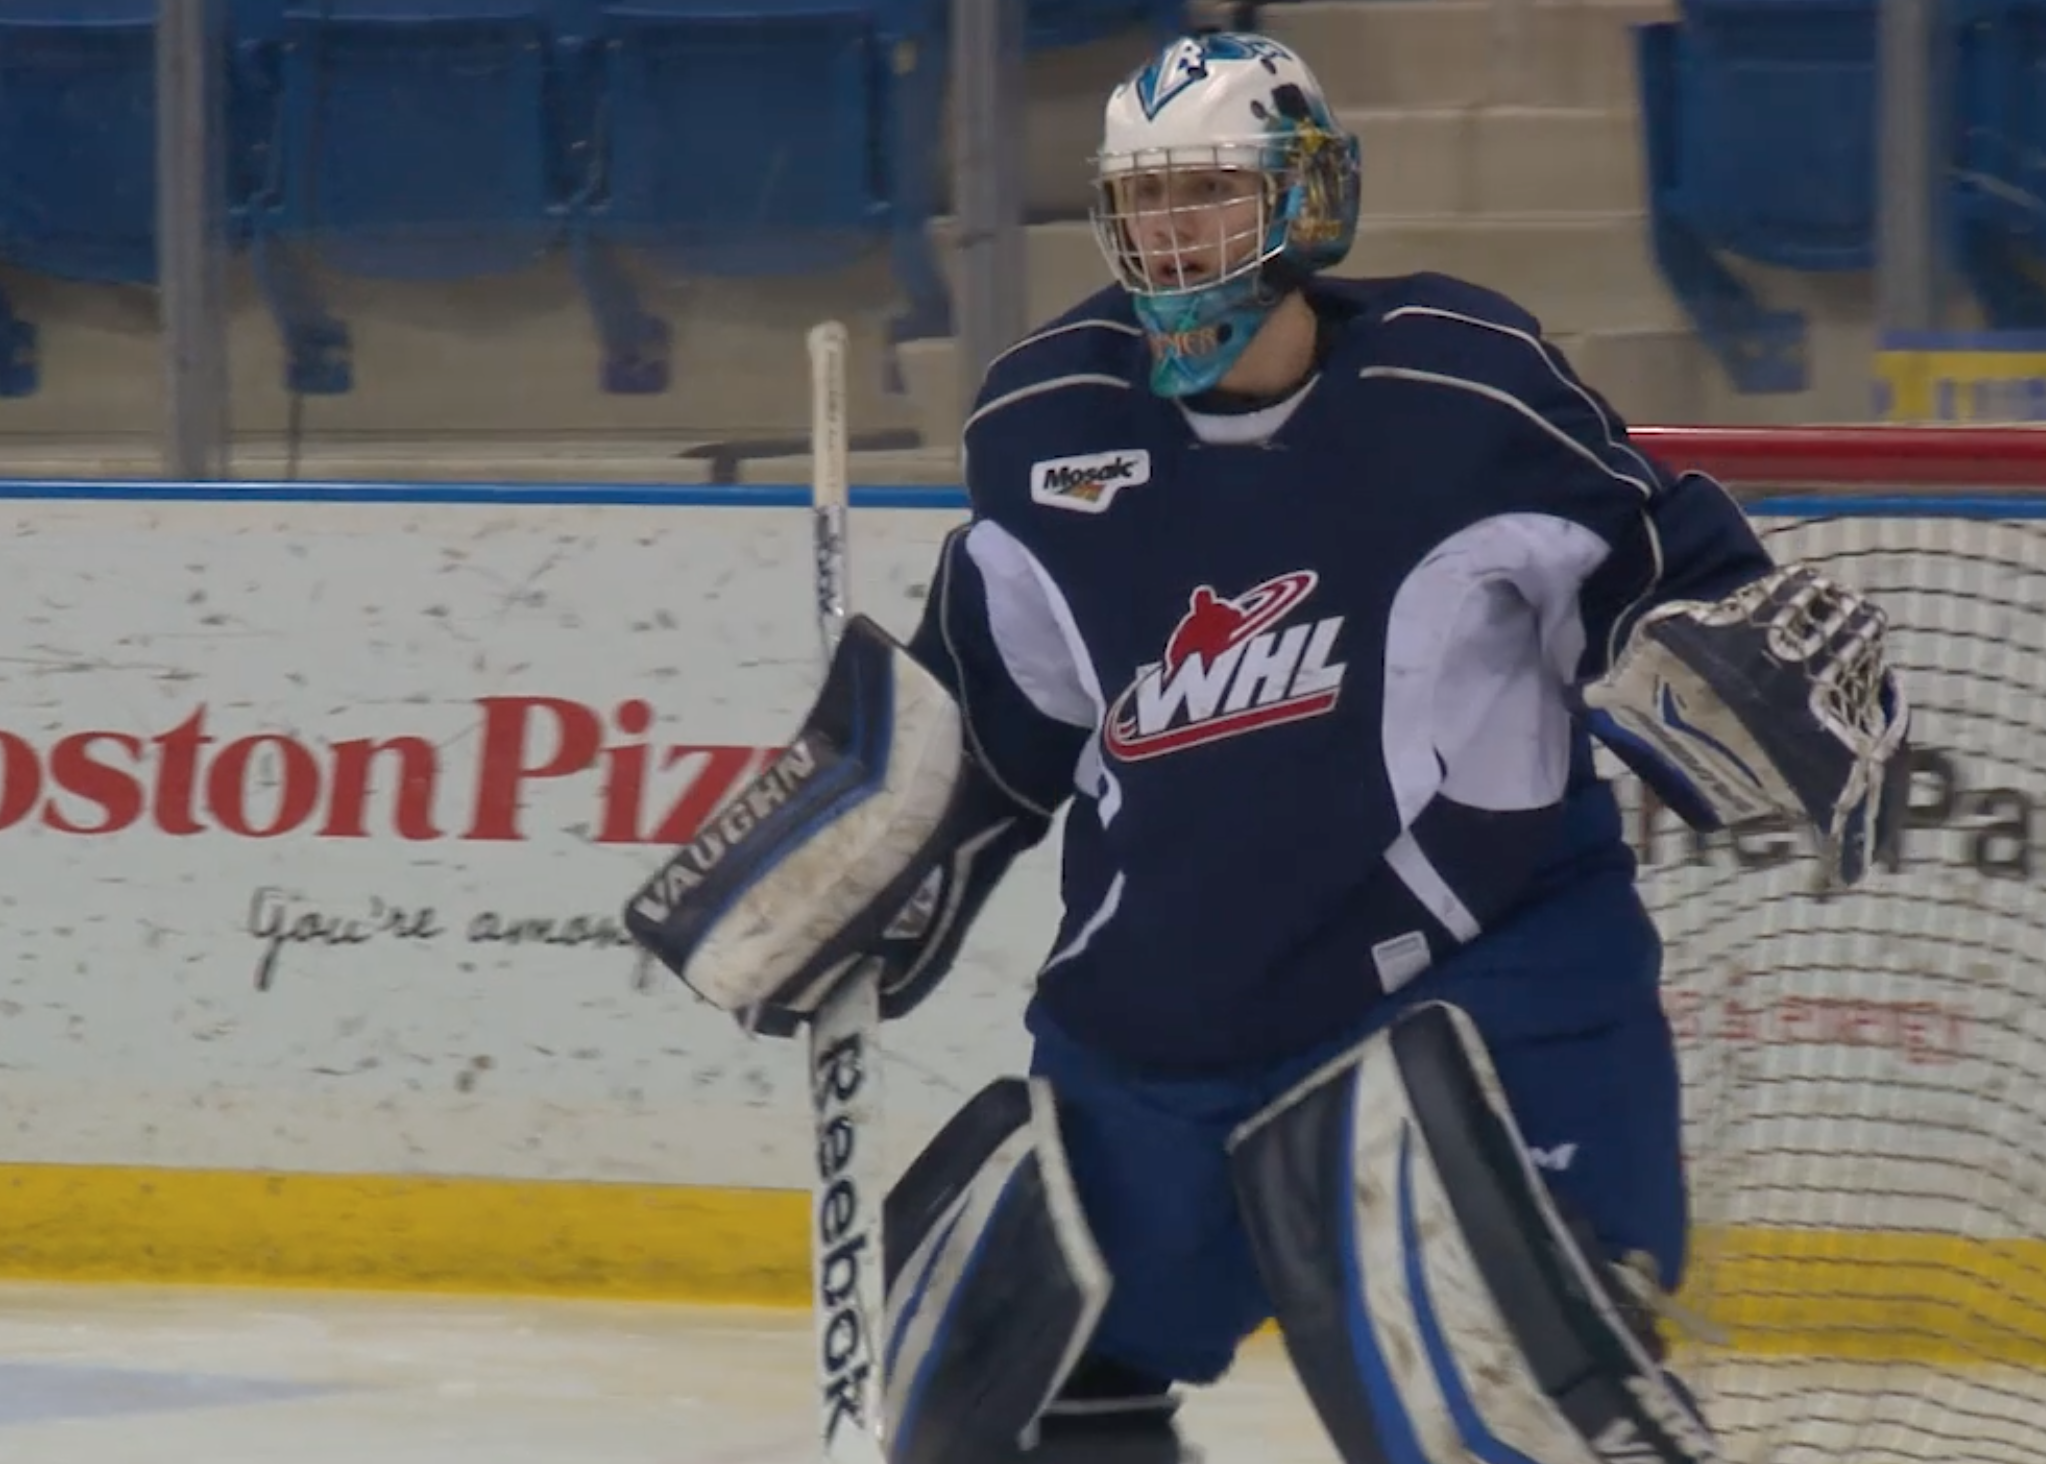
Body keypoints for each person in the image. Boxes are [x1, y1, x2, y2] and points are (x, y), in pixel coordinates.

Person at [623, 32, 1908, 1464]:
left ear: (1306, 206)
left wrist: (1730, 642)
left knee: (1516, 1399)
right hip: (1162, 1029)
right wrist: (860, 839)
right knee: (1017, 1402)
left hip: (1472, 990)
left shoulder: (1464, 389)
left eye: (1211, 194)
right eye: (1145, 199)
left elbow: (1662, 565)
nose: (1173, 234)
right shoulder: (1047, 424)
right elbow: (994, 712)